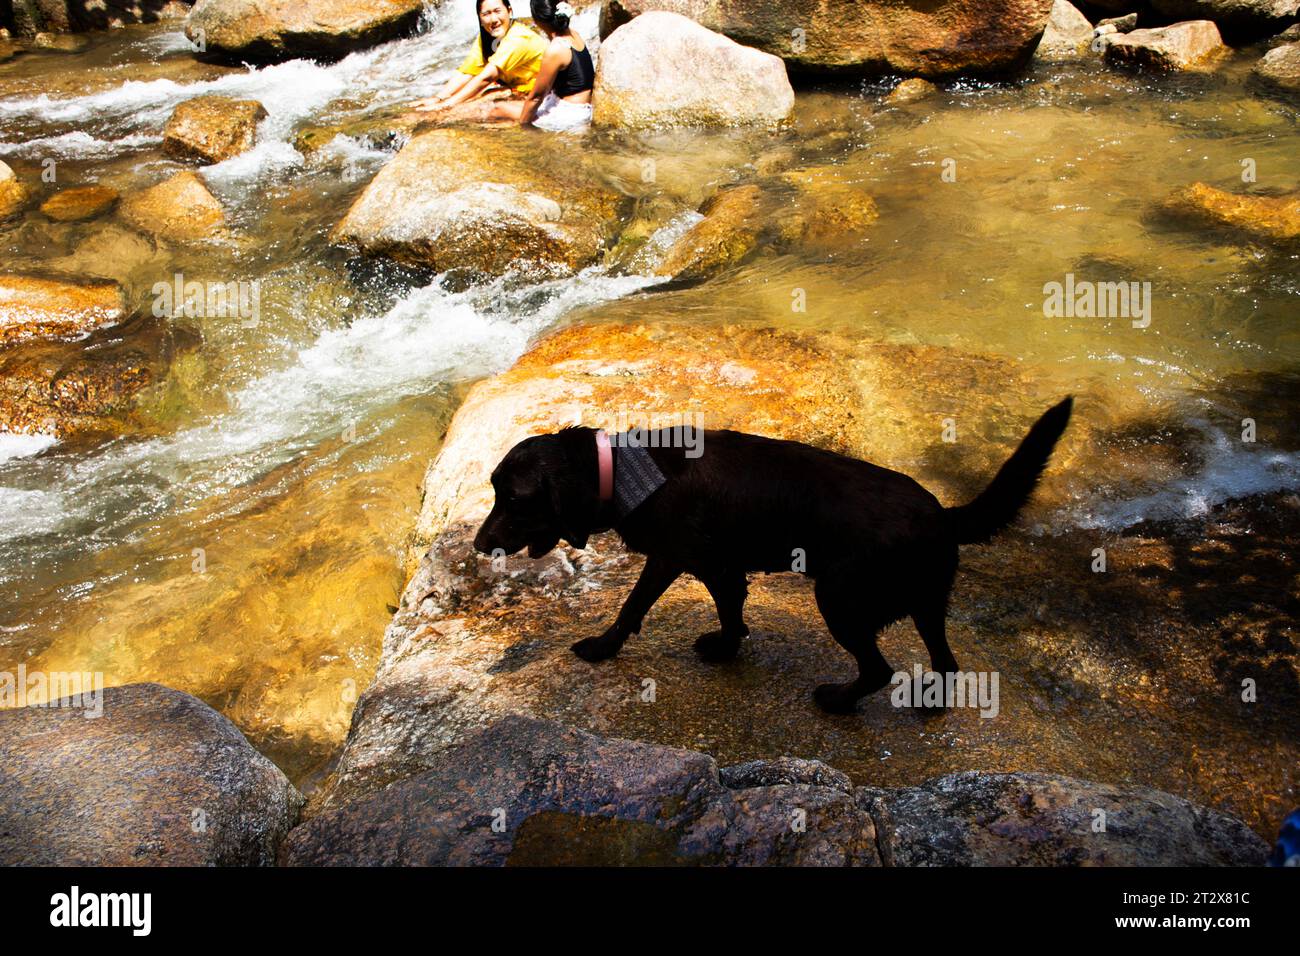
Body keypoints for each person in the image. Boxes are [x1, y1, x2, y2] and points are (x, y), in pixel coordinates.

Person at [411, 0, 547, 118]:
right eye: (486, 14)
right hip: (515, 89)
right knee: (473, 98)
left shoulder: (519, 39)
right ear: (480, 19)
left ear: (509, 11)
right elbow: (468, 71)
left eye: (497, 11)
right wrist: (439, 98)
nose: (493, 19)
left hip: (541, 96)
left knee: (470, 108)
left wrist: (446, 105)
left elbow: (486, 77)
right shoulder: (487, 38)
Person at [518, 0, 594, 132]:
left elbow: (536, 97)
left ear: (537, 20)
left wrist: (523, 126)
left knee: (502, 111)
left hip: (568, 114)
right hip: (581, 109)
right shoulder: (573, 34)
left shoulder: (557, 48)